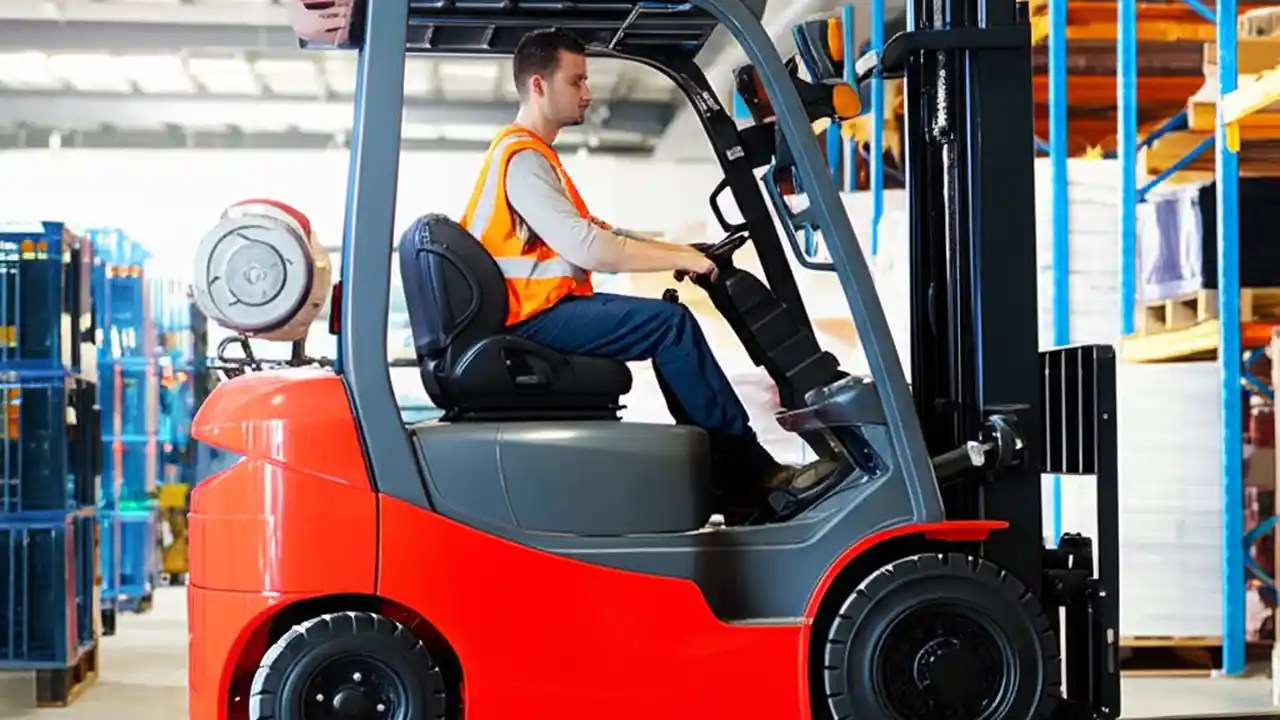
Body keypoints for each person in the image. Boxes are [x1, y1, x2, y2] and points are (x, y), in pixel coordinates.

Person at [460, 28, 838, 511]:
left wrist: (679, 249)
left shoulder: (529, 156)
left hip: (535, 314)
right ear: (538, 86)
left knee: (667, 324)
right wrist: (678, 258)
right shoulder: (522, 158)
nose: (588, 93)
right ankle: (747, 469)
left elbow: (601, 231)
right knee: (670, 326)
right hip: (533, 318)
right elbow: (590, 247)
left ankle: (725, 470)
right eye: (576, 81)